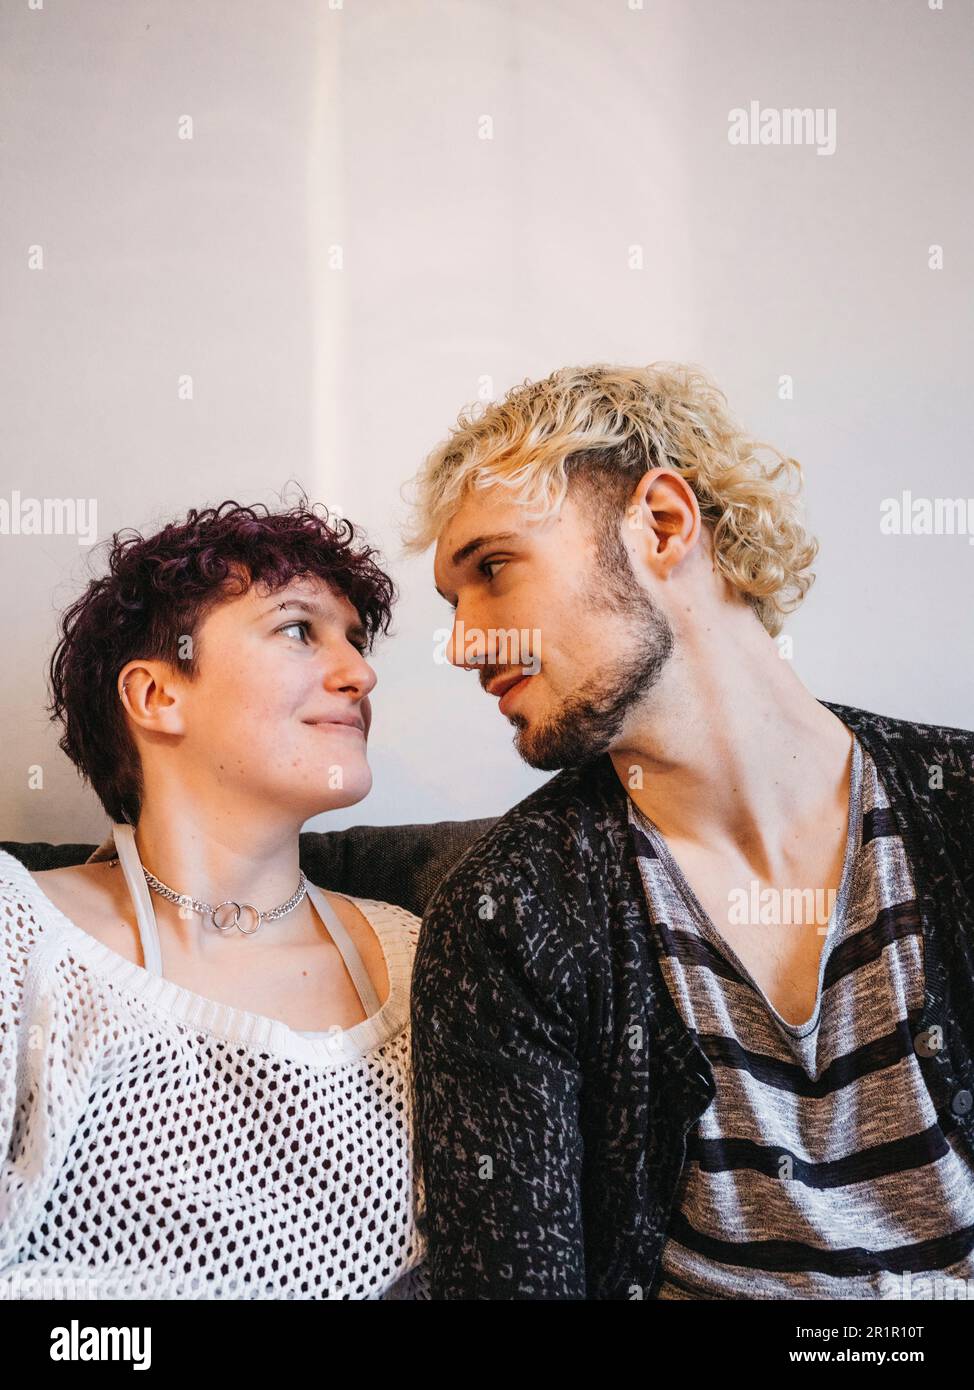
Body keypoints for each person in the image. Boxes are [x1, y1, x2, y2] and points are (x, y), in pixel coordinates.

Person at [402, 361, 974, 1300]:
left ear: (662, 525)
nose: (464, 642)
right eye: (451, 604)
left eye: (493, 569)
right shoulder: (510, 913)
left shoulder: (957, 811)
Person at [0, 497, 429, 1300]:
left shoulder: (421, 959)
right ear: (157, 696)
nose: (360, 674)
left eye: (356, 641)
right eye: (299, 629)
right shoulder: (19, 938)